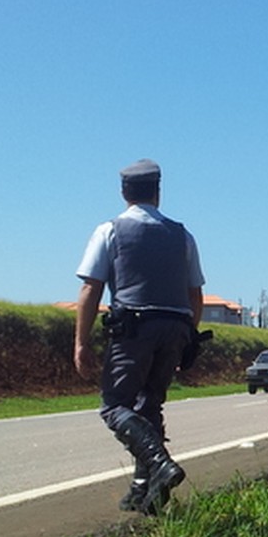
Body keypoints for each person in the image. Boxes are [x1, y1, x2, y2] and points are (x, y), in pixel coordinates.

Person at [74, 158, 206, 516]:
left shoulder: (111, 230)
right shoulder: (182, 235)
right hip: (176, 327)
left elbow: (91, 289)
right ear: (157, 192)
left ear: (124, 192)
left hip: (135, 327)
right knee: (149, 406)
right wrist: (188, 338)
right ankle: (144, 491)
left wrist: (81, 341)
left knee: (115, 405)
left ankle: (159, 464)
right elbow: (196, 296)